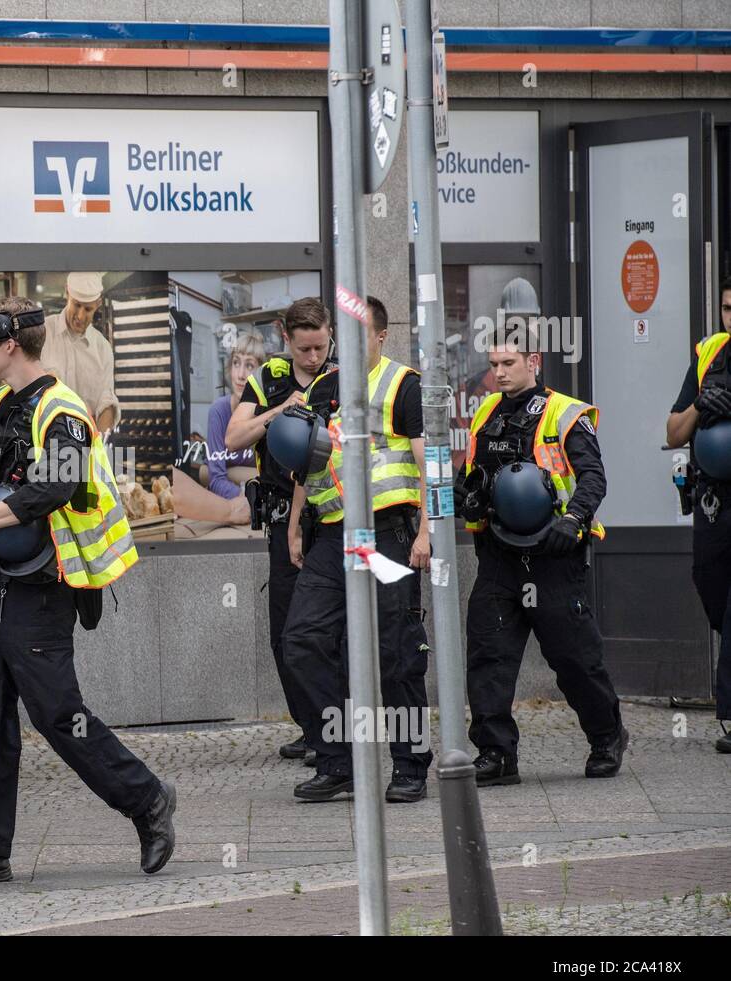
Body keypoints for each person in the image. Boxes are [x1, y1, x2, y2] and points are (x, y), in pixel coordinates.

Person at [0, 296, 175, 885]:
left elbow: (52, 489)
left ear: (11, 343)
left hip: (42, 587)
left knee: (59, 715)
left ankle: (149, 799)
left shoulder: (62, 410)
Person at [457, 325, 626, 784]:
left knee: (574, 658)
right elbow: (471, 477)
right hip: (498, 556)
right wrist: (465, 498)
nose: (499, 374)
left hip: (553, 555)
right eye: (493, 366)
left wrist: (573, 521)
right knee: (489, 656)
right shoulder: (486, 414)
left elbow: (593, 478)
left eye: (508, 364)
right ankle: (495, 754)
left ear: (534, 362)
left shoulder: (566, 414)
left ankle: (606, 736)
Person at [284, 296, 435, 803]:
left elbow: (428, 462)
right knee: (302, 641)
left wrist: (427, 532)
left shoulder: (403, 385)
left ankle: (410, 763)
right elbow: (308, 460)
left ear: (381, 336)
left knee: (396, 653)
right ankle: (338, 760)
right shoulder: (323, 388)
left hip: (390, 533)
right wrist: (294, 526)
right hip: (332, 535)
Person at [224, 298, 336, 763]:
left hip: (326, 520)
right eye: (305, 349)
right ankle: (311, 726)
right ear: (284, 338)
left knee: (324, 633)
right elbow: (233, 438)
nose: (314, 358)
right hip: (279, 520)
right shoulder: (269, 377)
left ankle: (332, 732)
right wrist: (279, 410)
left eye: (321, 347)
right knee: (285, 633)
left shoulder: (341, 379)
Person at [666, 276, 731, 752]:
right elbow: (673, 432)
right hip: (712, 500)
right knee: (711, 586)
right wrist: (699, 404)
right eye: (728, 308)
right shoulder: (709, 355)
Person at [169, 329, 263, 526]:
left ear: (261, 372)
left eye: (250, 365)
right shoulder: (219, 411)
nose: (241, 374)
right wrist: (248, 499)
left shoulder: (267, 413)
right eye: (236, 363)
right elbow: (216, 478)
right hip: (233, 500)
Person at [39, 272, 120, 433]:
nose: (80, 316)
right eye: (76, 305)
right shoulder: (42, 334)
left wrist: (99, 447)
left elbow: (106, 402)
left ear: (98, 304)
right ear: (67, 293)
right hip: (41, 443)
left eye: (88, 309)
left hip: (84, 447)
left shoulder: (102, 349)